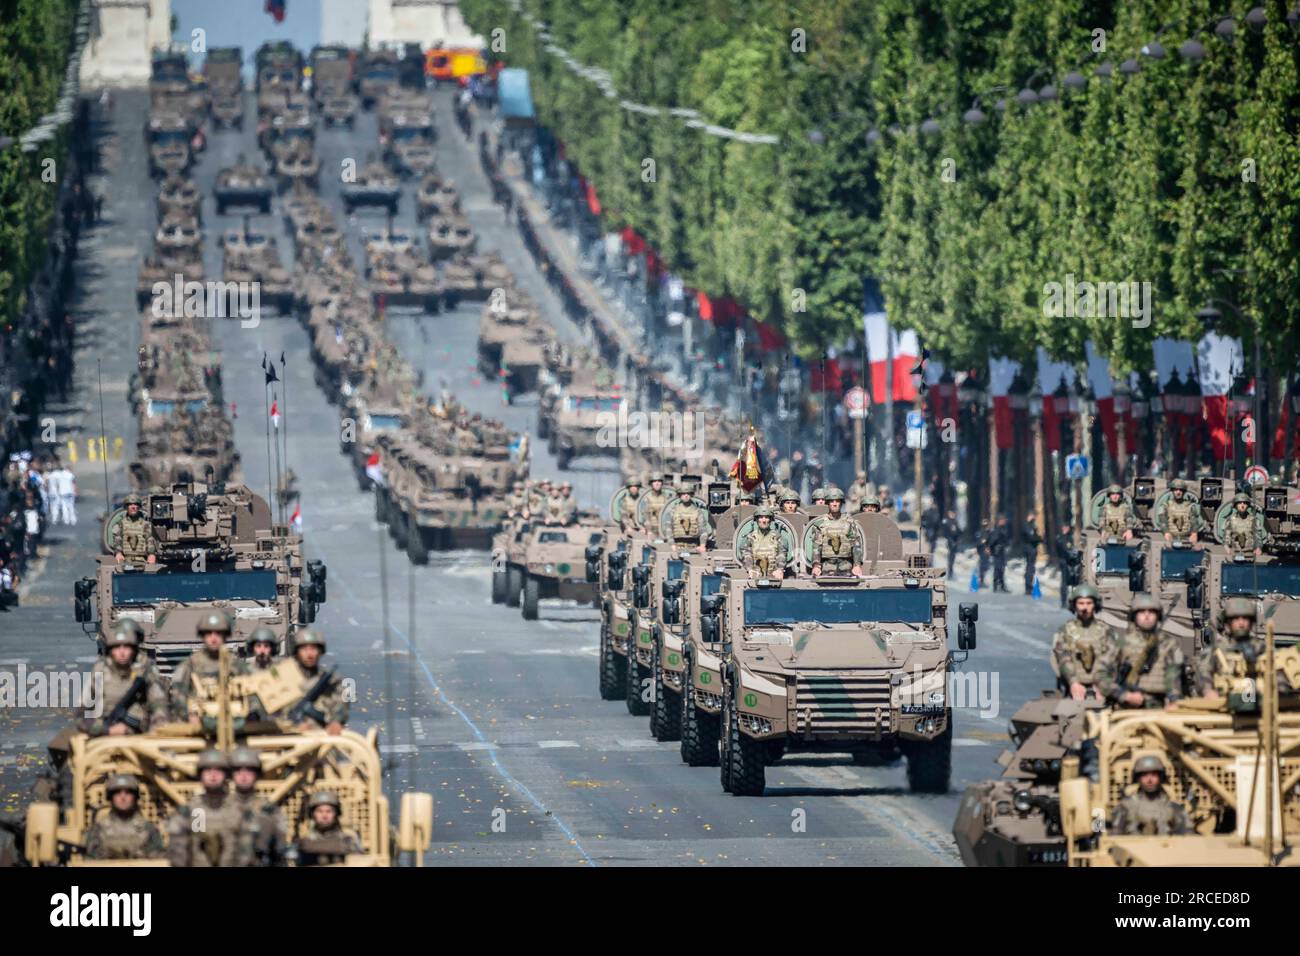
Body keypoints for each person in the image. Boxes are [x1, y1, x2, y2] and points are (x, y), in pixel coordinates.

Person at [167, 750, 256, 867]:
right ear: (200, 775)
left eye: (218, 770)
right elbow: (179, 852)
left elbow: (248, 852)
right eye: (208, 770)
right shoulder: (193, 810)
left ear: (225, 775)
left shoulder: (238, 809)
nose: (213, 775)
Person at [80, 620, 168, 736]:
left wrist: (155, 730)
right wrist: (105, 730)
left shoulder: (146, 668)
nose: (122, 652)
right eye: (117, 647)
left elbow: (159, 704)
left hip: (140, 735)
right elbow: (81, 712)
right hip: (104, 735)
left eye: (127, 647)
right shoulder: (100, 669)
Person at [1194, 597, 1293, 699]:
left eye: (1245, 619)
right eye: (1236, 619)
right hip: (1223, 701)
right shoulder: (1216, 649)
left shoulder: (1262, 648)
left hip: (1260, 703)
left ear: (1251, 622)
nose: (1241, 624)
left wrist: (1279, 688)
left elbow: (1279, 671)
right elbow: (1203, 673)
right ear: (1228, 622)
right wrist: (1208, 690)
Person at [170, 611, 248, 720]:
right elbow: (177, 696)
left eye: (218, 633)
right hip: (198, 722)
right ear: (202, 636)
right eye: (209, 633)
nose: (213, 638)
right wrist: (188, 715)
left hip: (234, 720)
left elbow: (251, 694)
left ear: (225, 636)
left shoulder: (236, 665)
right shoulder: (190, 664)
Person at [1112, 593, 1184, 709]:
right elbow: (1103, 676)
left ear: (1158, 616)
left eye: (1151, 612)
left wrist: (1174, 700)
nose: (1147, 616)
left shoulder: (1169, 643)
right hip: (1126, 707)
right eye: (1141, 612)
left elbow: (1174, 676)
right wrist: (1125, 695)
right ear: (1134, 616)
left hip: (1159, 706)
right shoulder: (1122, 643)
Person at [1051, 585, 1120, 701]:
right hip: (1073, 685)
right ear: (1074, 605)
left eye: (1089, 603)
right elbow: (1063, 658)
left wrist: (1103, 684)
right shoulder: (1066, 631)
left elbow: (1112, 658)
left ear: (1095, 605)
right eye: (1081, 603)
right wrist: (1073, 683)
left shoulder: (1106, 631)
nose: (1085, 608)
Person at [276, 629, 349, 734]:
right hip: (288, 737)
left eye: (313, 649)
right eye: (304, 649)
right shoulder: (283, 678)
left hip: (322, 736)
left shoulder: (331, 681)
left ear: (320, 651)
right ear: (297, 651)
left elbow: (341, 707)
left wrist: (336, 722)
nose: (309, 654)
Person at [228, 747, 287, 866]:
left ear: (257, 774)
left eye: (249, 771)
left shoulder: (270, 810)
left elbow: (279, 850)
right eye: (238, 771)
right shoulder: (218, 807)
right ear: (232, 775)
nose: (243, 776)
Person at [84, 774, 164, 860]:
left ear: (135, 797)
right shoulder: (98, 830)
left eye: (128, 792)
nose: (123, 797)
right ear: (110, 797)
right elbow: (89, 859)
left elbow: (159, 859)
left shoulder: (148, 829)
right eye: (117, 793)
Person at [1108, 754, 1191, 836]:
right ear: (1138, 778)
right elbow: (1114, 836)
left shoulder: (1174, 808)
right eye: (1145, 775)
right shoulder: (1126, 806)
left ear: (1160, 777)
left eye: (1154, 775)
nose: (1149, 780)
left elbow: (1188, 836)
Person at [296, 790, 362, 864]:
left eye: (329, 811)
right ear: (312, 814)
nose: (324, 816)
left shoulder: (348, 839)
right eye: (320, 811)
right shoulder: (304, 839)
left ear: (336, 814)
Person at [810, 489, 863, 577]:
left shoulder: (849, 522)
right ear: (828, 503)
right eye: (832, 501)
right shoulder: (820, 524)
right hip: (827, 565)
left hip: (846, 564)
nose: (834, 504)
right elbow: (816, 547)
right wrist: (816, 566)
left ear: (841, 503)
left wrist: (857, 565)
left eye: (837, 501)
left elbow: (856, 545)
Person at [739, 506, 789, 579]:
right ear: (756, 519)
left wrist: (779, 569)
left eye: (766, 517)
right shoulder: (749, 537)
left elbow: (782, 554)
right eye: (761, 517)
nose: (764, 520)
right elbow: (746, 555)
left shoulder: (778, 537)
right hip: (754, 574)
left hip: (774, 575)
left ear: (771, 519)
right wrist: (750, 569)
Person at [111, 493, 156, 564]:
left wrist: (151, 554)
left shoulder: (146, 525)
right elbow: (117, 540)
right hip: (124, 559)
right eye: (130, 504)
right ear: (126, 507)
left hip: (142, 559)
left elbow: (150, 540)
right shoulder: (120, 524)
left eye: (136, 504)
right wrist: (118, 553)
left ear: (139, 507)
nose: (133, 507)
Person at [1157, 478, 1203, 544]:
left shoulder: (1190, 506)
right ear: (1172, 491)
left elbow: (1194, 521)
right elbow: (1162, 521)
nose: (1178, 492)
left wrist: (1194, 533)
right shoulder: (1166, 505)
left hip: (1186, 538)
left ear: (1184, 492)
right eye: (1176, 490)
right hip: (1170, 537)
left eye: (1180, 490)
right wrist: (1166, 532)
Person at [670, 484, 709, 553]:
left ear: (691, 495)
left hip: (693, 545)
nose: (686, 495)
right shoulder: (673, 511)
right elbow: (668, 530)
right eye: (683, 494)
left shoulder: (697, 511)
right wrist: (672, 544)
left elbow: (703, 530)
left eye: (688, 493)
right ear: (679, 495)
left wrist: (702, 546)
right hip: (677, 545)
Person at [988, 515, 1010, 593]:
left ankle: (1001, 585)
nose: (1003, 521)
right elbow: (992, 541)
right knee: (997, 569)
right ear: (999, 521)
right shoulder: (997, 529)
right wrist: (992, 549)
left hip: (1002, 551)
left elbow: (1005, 540)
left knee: (1001, 569)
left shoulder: (1004, 529)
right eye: (1002, 520)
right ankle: (996, 586)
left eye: (1004, 520)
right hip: (997, 552)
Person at [1021, 512, 1042, 596]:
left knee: (1031, 568)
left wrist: (1039, 538)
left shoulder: (1032, 526)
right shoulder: (1027, 526)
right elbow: (1031, 537)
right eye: (1032, 516)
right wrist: (1038, 539)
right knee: (1030, 568)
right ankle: (1028, 587)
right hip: (1029, 549)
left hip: (1032, 549)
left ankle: (1029, 586)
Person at [1055, 522, 1075, 608]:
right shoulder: (1062, 538)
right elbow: (1066, 550)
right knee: (1064, 582)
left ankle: (1068, 600)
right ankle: (1064, 601)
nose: (1066, 529)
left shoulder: (1066, 537)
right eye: (1065, 527)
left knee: (1068, 581)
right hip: (1064, 561)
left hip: (1066, 561)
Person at [941, 509, 960, 579]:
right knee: (951, 557)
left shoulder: (955, 522)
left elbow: (958, 531)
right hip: (950, 541)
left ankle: (951, 571)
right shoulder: (947, 522)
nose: (952, 515)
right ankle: (950, 572)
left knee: (953, 557)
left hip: (955, 541)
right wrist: (949, 539)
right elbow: (945, 532)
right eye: (951, 514)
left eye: (953, 514)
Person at [976, 520, 992, 588]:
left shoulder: (987, 532)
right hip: (983, 551)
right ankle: (981, 581)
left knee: (985, 566)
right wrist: (985, 548)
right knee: (983, 566)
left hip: (985, 552)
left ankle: (982, 580)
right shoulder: (982, 532)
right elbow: (979, 543)